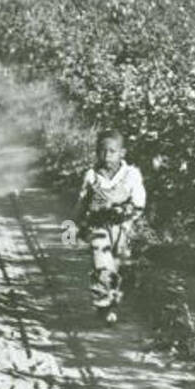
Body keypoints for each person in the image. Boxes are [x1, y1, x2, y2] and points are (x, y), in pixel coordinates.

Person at [72, 130, 146, 324]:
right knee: (102, 262)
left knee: (118, 266)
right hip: (99, 225)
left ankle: (113, 301)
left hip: (123, 227)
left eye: (112, 151)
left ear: (122, 152)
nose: (107, 156)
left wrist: (125, 208)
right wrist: (74, 225)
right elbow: (81, 203)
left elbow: (139, 201)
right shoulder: (92, 176)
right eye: (102, 151)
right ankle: (104, 305)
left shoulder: (131, 175)